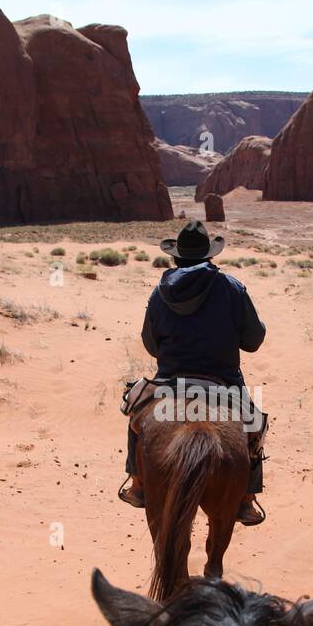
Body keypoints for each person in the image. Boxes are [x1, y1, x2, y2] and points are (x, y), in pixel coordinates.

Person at [118, 220, 267, 526]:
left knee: (135, 409)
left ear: (177, 257)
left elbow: (150, 344)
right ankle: (247, 499)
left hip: (170, 380)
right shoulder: (232, 288)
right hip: (224, 381)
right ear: (209, 256)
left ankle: (137, 482)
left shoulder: (160, 293)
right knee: (255, 425)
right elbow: (253, 341)